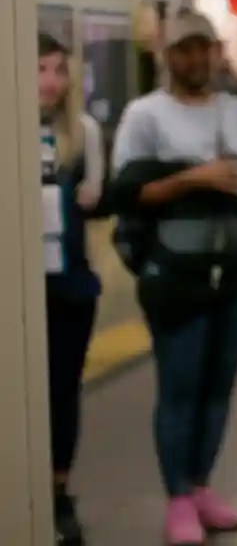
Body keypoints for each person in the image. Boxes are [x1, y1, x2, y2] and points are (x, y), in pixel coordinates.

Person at [109, 11, 237, 546]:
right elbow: (127, 195)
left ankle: (203, 484)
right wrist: (194, 177)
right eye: (184, 50)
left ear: (217, 50)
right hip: (174, 274)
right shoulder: (146, 116)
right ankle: (177, 498)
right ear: (167, 56)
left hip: (232, 271)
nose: (196, 60)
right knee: (181, 387)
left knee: (218, 388)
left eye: (203, 48)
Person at [38, 34, 106, 546]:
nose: (52, 82)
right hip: (20, 289)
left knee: (63, 392)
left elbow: (92, 197)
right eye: (40, 69)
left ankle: (59, 493)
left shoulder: (81, 134)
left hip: (69, 286)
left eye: (60, 70)